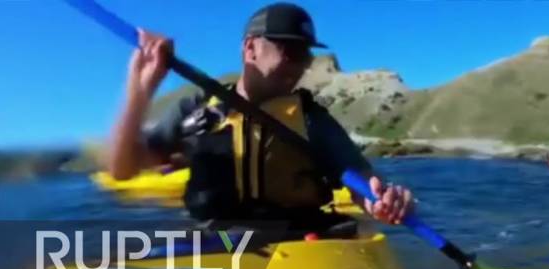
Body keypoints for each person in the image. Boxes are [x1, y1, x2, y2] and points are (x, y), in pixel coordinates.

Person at [106, 3, 413, 225]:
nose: (302, 65)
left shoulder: (311, 119)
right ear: (251, 49)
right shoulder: (197, 110)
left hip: (299, 237)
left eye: (306, 54)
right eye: (291, 52)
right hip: (222, 240)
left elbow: (363, 181)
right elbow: (122, 169)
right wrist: (140, 88)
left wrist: (381, 201)